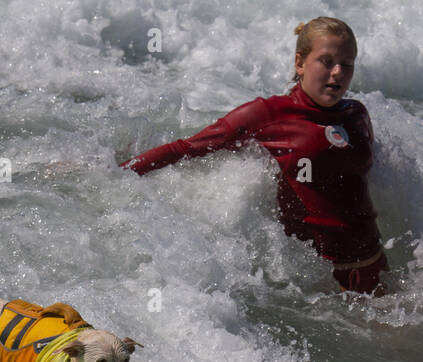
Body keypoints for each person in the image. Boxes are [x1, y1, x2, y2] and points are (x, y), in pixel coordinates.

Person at [124, 17, 387, 294]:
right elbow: (187, 148)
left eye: (347, 64)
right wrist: (118, 172)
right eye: (326, 61)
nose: (337, 72)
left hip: (373, 264)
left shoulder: (356, 114)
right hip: (321, 283)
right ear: (300, 63)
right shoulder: (268, 114)